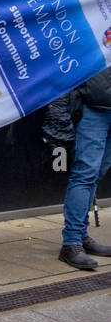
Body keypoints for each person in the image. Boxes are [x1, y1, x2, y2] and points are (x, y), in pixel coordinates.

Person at [58, 65, 111, 269]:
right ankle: (71, 243)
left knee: (96, 174)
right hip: (94, 104)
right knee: (85, 175)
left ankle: (81, 235)